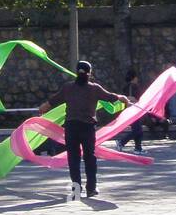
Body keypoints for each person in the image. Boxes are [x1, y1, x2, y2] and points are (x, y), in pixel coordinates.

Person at [38, 60, 130, 199]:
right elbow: (112, 98)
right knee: (89, 158)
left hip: (71, 128)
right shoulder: (94, 88)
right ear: (90, 73)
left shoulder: (68, 88)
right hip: (87, 128)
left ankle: (76, 190)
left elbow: (49, 103)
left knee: (73, 158)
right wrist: (123, 98)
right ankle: (91, 189)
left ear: (76, 72)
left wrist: (42, 110)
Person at [116, 70, 144, 153]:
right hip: (133, 110)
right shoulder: (133, 86)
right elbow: (133, 98)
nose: (137, 79)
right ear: (134, 78)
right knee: (137, 130)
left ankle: (138, 148)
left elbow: (124, 97)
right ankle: (121, 142)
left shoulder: (126, 86)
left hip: (130, 110)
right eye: (136, 77)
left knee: (138, 130)